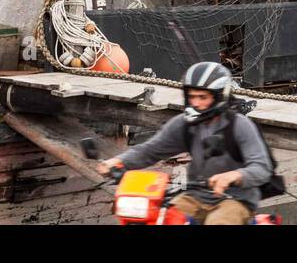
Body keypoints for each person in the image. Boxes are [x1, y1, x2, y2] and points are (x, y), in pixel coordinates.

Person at [98, 61, 273, 225]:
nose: (195, 103)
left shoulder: (239, 125)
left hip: (235, 198)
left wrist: (233, 176)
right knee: (163, 218)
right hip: (196, 195)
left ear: (220, 96)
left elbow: (262, 168)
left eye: (202, 97)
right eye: (191, 97)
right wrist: (119, 161)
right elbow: (150, 150)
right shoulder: (184, 124)